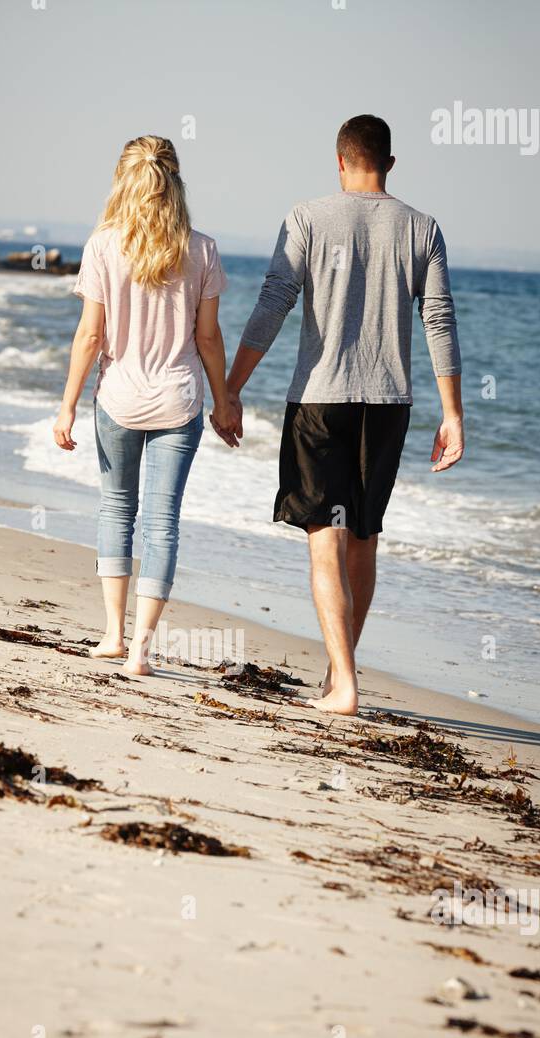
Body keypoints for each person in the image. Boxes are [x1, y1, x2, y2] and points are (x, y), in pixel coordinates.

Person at [216, 114, 464, 714]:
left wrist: (230, 387)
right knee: (364, 538)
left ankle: (344, 684)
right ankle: (337, 675)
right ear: (390, 163)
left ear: (340, 161)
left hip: (321, 400)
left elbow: (274, 302)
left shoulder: (306, 217)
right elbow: (439, 320)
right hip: (389, 403)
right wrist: (453, 413)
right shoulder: (422, 228)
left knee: (324, 536)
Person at [54, 135, 238, 676]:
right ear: (176, 181)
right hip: (178, 402)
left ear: (123, 181)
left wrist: (65, 408)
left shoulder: (103, 246)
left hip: (117, 400)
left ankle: (112, 634)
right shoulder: (202, 249)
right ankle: (140, 650)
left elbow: (90, 336)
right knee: (162, 523)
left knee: (116, 508)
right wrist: (224, 402)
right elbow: (208, 339)